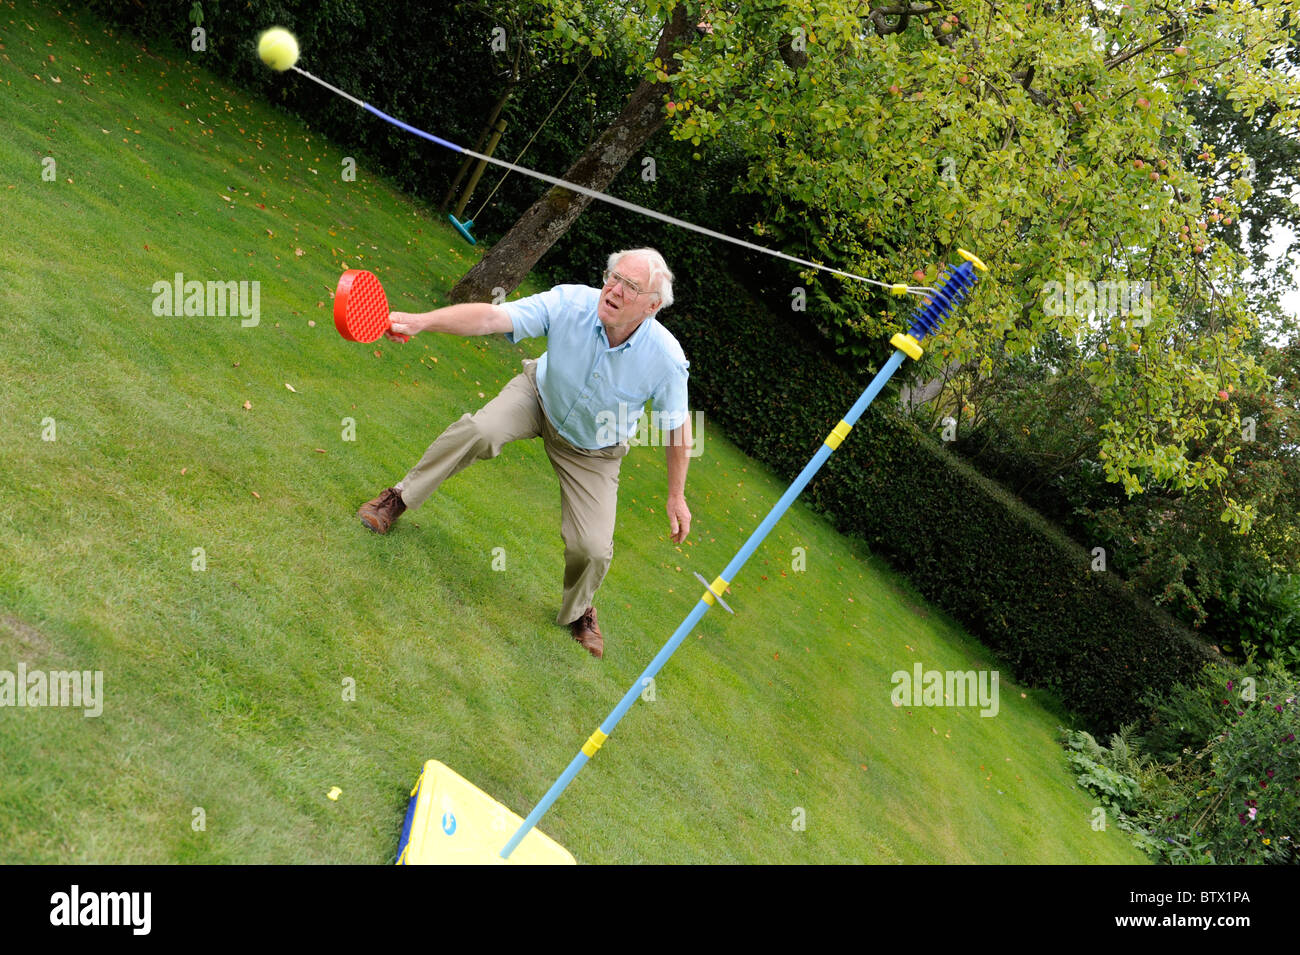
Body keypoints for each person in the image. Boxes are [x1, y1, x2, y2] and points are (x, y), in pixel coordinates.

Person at [357, 248, 692, 659]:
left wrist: (676, 495)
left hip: (594, 450)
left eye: (631, 286)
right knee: (480, 430)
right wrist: (422, 322)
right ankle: (397, 499)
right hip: (539, 397)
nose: (614, 289)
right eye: (613, 276)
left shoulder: (666, 358)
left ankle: (580, 611)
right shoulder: (570, 302)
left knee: (591, 548)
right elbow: (492, 318)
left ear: (653, 305)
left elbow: (676, 427)